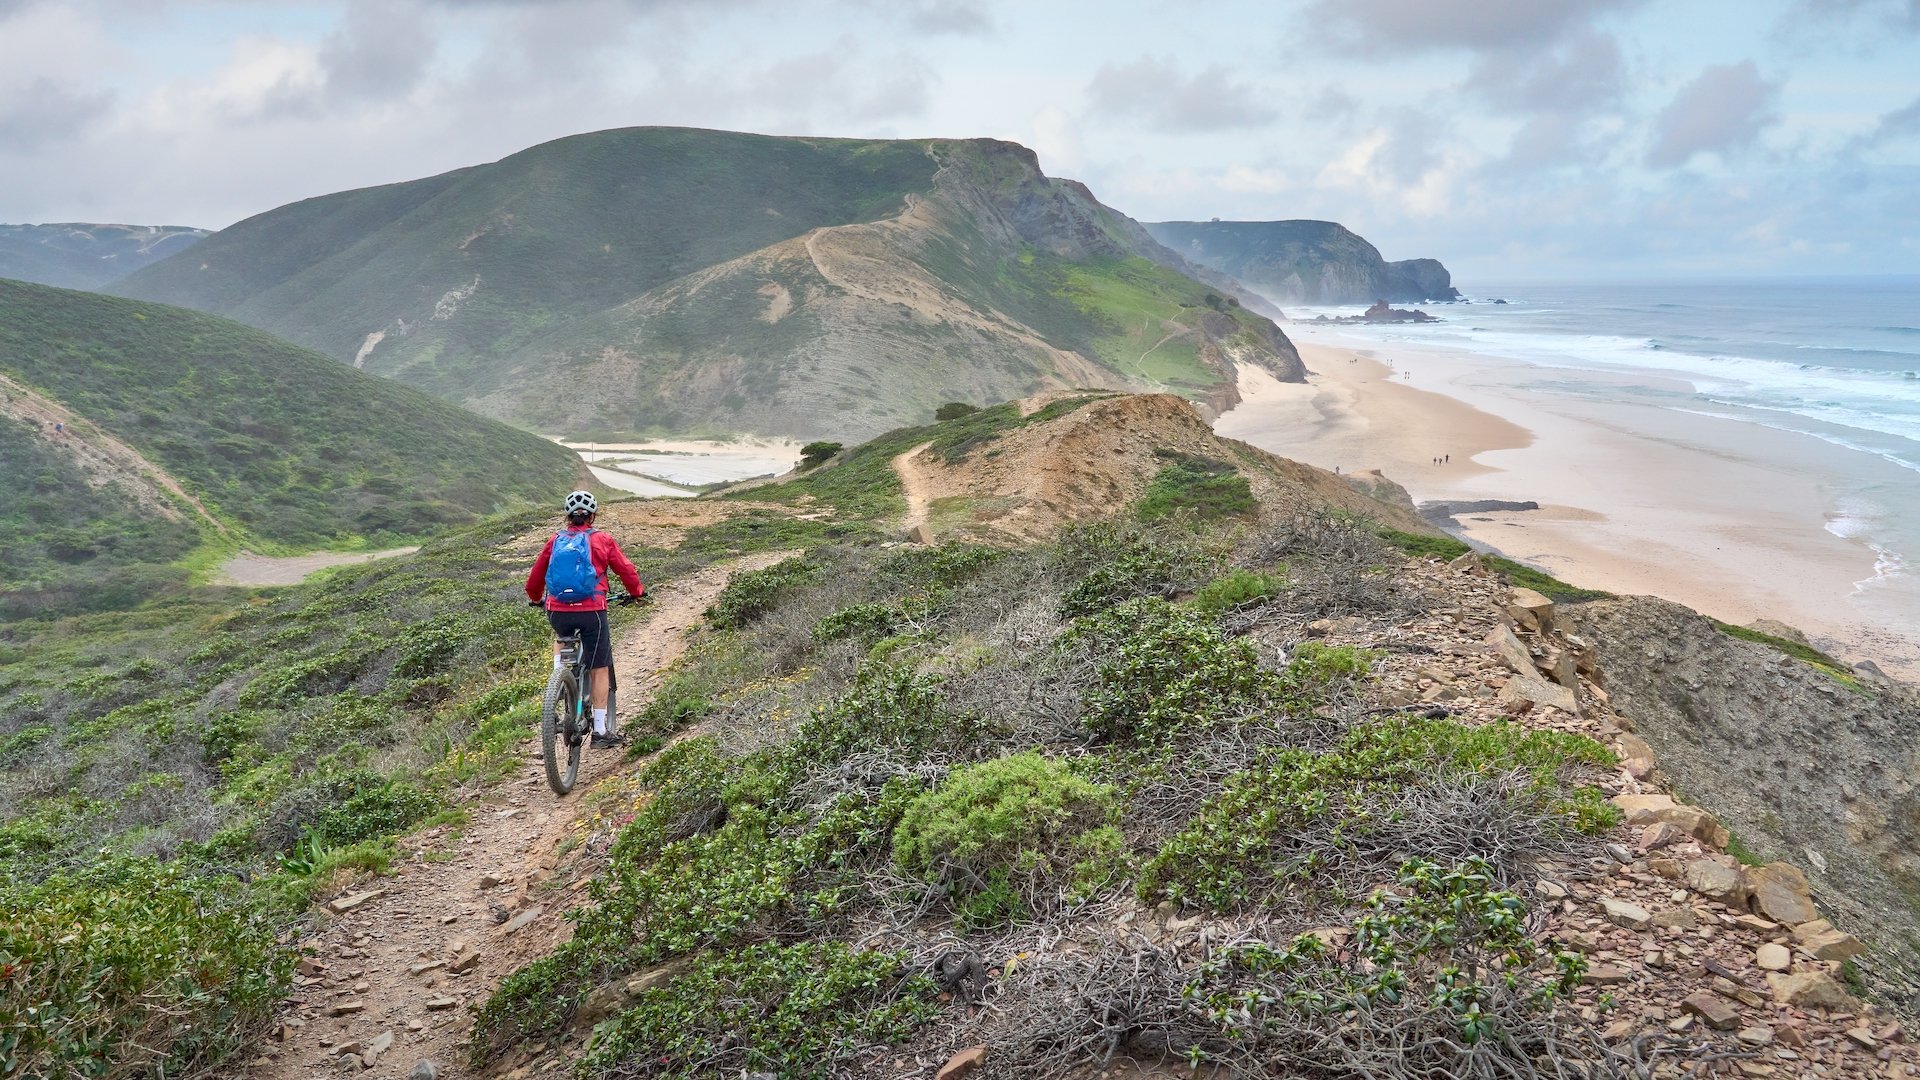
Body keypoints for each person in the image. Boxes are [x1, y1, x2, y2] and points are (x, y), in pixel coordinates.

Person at [524, 491, 644, 748]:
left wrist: (536, 597)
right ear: (593, 515)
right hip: (592, 611)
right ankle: (600, 732)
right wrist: (637, 593)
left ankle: (559, 680)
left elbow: (536, 575)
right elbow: (626, 569)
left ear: (568, 517)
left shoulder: (555, 539)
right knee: (599, 666)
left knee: (561, 636)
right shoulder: (602, 539)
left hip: (558, 610)